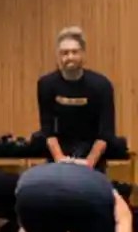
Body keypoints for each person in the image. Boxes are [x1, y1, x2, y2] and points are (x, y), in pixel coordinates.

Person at [37, 26, 116, 171]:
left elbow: (106, 132)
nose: (70, 57)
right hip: (59, 156)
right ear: (58, 56)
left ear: (83, 54)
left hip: (93, 156)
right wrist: (60, 159)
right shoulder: (46, 84)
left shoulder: (101, 85)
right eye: (65, 53)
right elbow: (47, 129)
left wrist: (89, 163)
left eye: (75, 52)